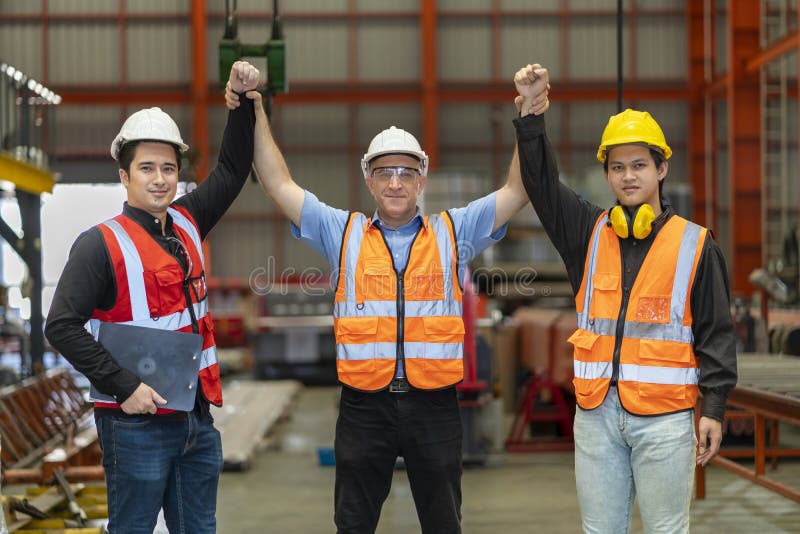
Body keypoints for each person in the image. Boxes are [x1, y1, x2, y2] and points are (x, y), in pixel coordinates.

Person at [224, 80, 542, 533]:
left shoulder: (455, 232)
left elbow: (517, 191)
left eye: (407, 172)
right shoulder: (343, 233)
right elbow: (277, 183)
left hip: (434, 407)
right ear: (368, 179)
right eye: (385, 172)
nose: (396, 182)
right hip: (364, 408)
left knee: (443, 523)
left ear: (422, 180)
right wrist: (254, 109)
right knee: (353, 524)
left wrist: (528, 113)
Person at [512, 63, 738, 533]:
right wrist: (532, 112)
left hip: (665, 419)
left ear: (661, 169)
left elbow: (716, 332)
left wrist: (713, 408)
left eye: (639, 165)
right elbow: (540, 187)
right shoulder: (587, 233)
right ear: (607, 175)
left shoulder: (696, 244)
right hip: (596, 416)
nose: (628, 176)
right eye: (618, 167)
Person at [45, 61, 260, 533]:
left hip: (195, 420)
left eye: (168, 168)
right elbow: (59, 325)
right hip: (134, 424)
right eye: (146, 168)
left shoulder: (187, 221)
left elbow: (233, 169)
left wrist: (241, 103)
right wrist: (124, 386)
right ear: (124, 176)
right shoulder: (99, 244)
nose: (159, 178)